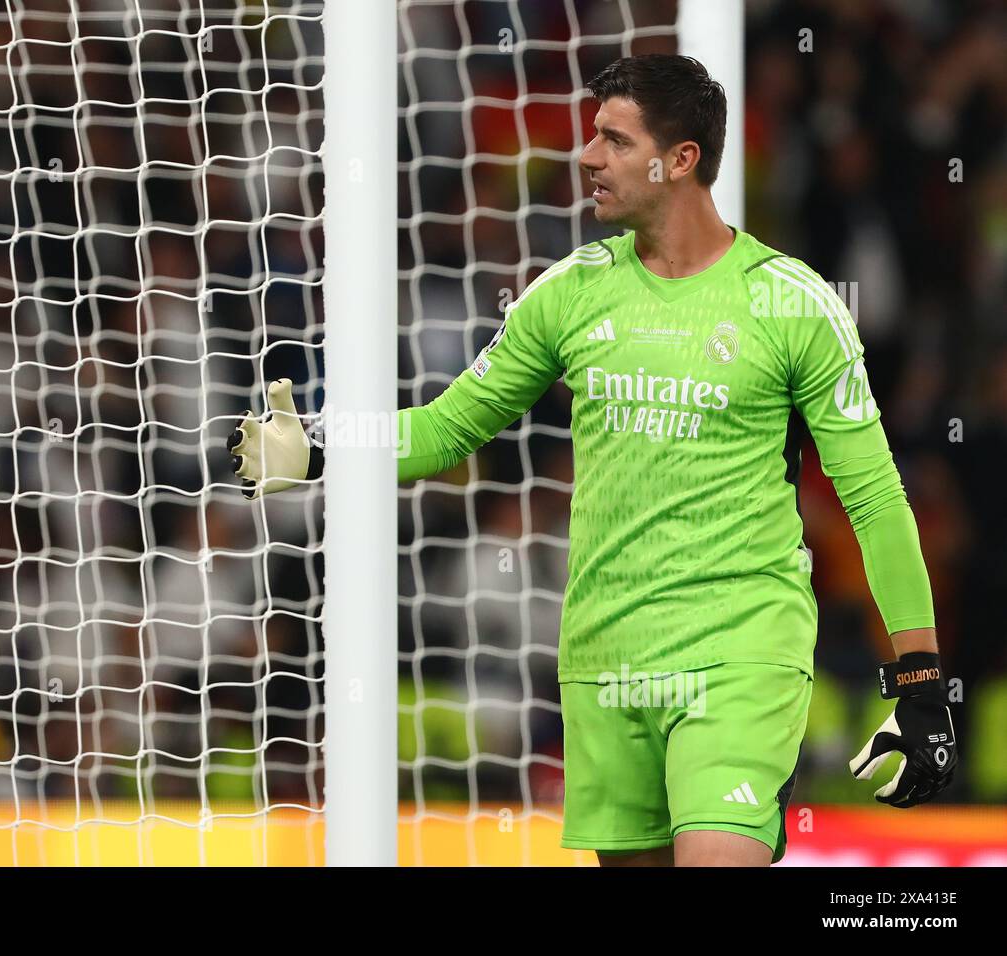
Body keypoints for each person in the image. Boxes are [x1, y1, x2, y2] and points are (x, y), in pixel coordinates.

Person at [226, 54, 956, 866]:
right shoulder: (568, 293)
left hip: (740, 651)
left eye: (613, 139)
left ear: (679, 160)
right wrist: (324, 446)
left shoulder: (793, 303)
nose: (587, 156)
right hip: (606, 659)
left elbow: (877, 502)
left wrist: (918, 683)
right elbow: (444, 430)